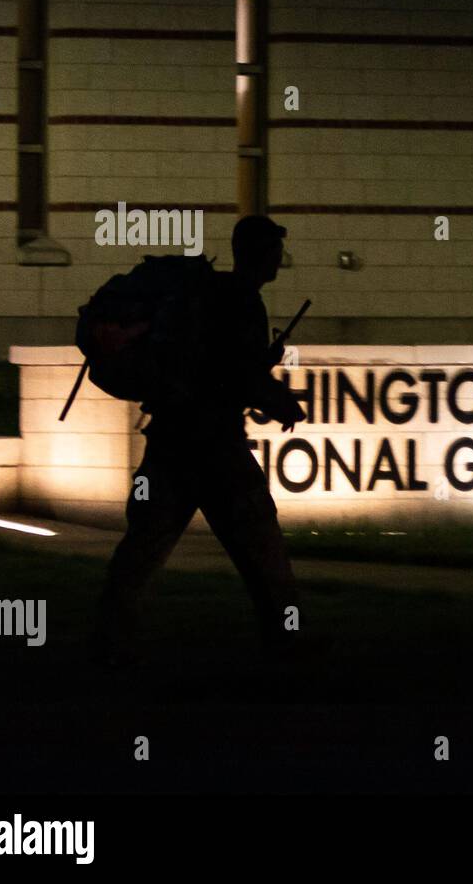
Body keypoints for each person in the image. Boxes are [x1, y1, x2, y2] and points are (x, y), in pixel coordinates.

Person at [91, 215, 313, 666]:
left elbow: (216, 368)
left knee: (141, 552)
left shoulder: (203, 294)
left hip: (171, 443)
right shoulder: (244, 301)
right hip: (217, 451)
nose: (278, 259)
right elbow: (237, 375)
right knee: (264, 553)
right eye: (273, 250)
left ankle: (107, 642)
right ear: (258, 253)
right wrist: (280, 401)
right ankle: (288, 644)